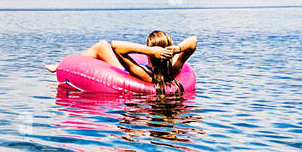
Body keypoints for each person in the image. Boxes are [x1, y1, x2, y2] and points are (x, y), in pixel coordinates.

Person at [49, 30, 197, 96]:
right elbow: (193, 41)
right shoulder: (174, 70)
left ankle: (61, 66)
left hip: (126, 74)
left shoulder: (144, 73)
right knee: (102, 46)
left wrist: (149, 51)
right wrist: (177, 49)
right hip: (142, 73)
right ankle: (61, 65)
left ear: (151, 55)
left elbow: (116, 46)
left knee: (101, 45)